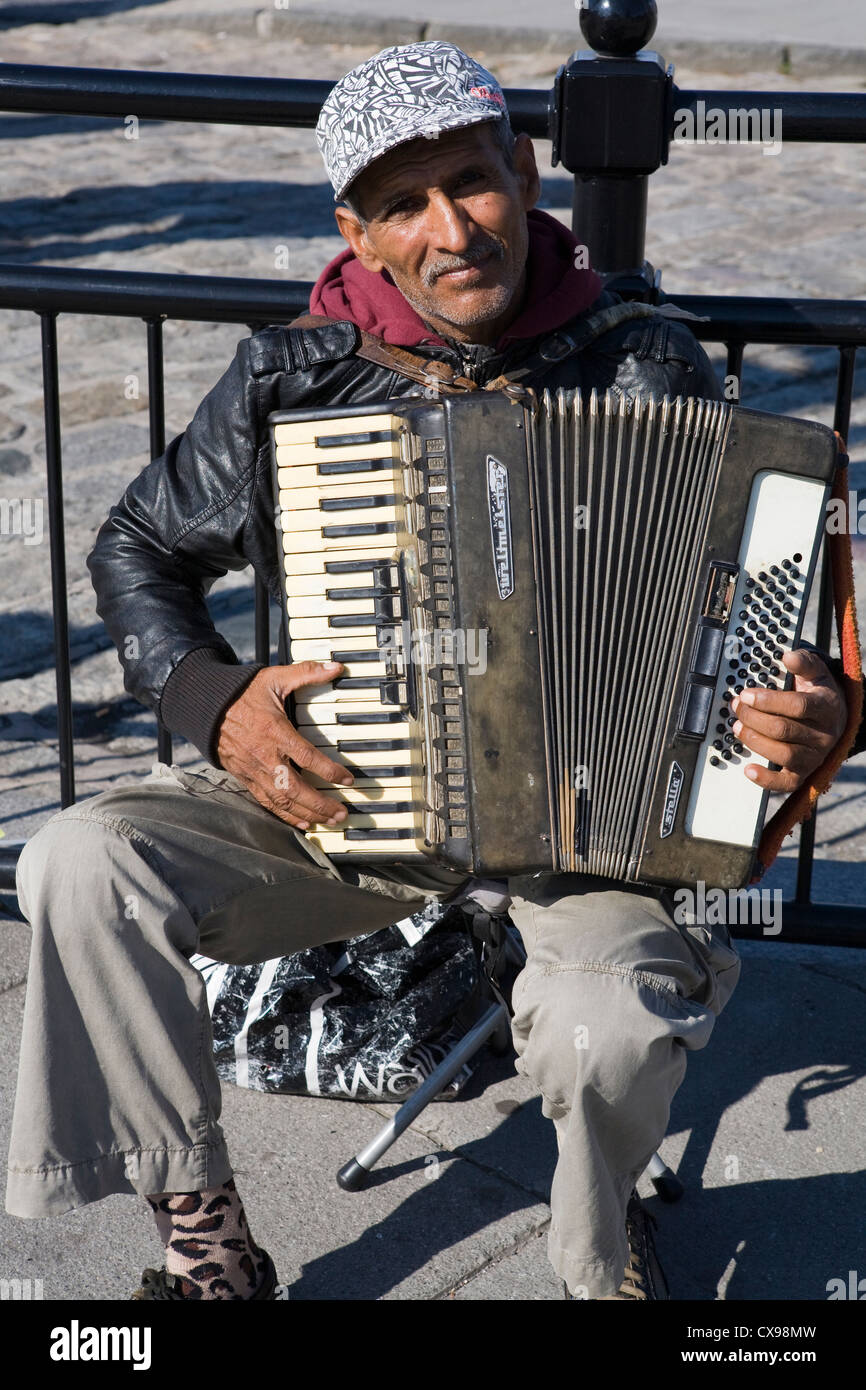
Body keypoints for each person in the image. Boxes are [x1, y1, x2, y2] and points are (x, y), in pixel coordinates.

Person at [5, 41, 857, 1302]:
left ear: (522, 170)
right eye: (402, 205)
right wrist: (213, 700)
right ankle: (207, 1245)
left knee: (608, 1022)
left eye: (470, 182)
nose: (449, 229)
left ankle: (596, 1241)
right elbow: (138, 544)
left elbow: (758, 621)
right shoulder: (293, 378)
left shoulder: (642, 362)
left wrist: (819, 716)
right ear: (357, 231)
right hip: (340, 808)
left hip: (583, 838)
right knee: (80, 858)